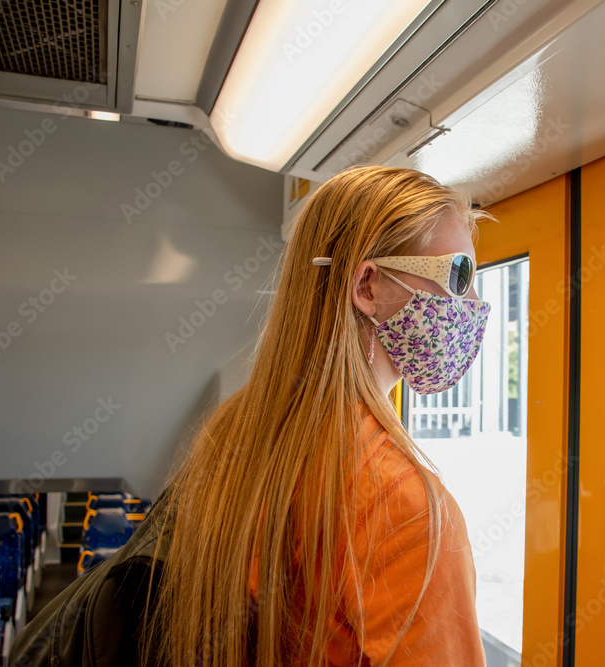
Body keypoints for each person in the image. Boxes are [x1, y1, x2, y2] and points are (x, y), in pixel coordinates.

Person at [145, 165, 492, 666]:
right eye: (458, 276)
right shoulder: (407, 507)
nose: (475, 305)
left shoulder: (231, 429)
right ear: (368, 286)